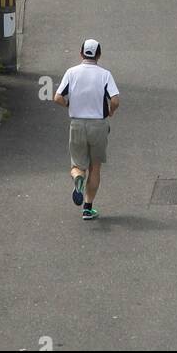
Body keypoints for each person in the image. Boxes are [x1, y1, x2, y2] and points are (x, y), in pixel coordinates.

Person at [54, 39, 120, 221]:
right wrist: (111, 111)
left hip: (77, 124)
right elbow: (115, 100)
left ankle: (77, 179)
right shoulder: (105, 75)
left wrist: (68, 104)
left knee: (77, 165)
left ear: (81, 53)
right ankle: (88, 208)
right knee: (95, 167)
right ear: (99, 55)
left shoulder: (71, 72)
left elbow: (57, 97)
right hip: (98, 125)